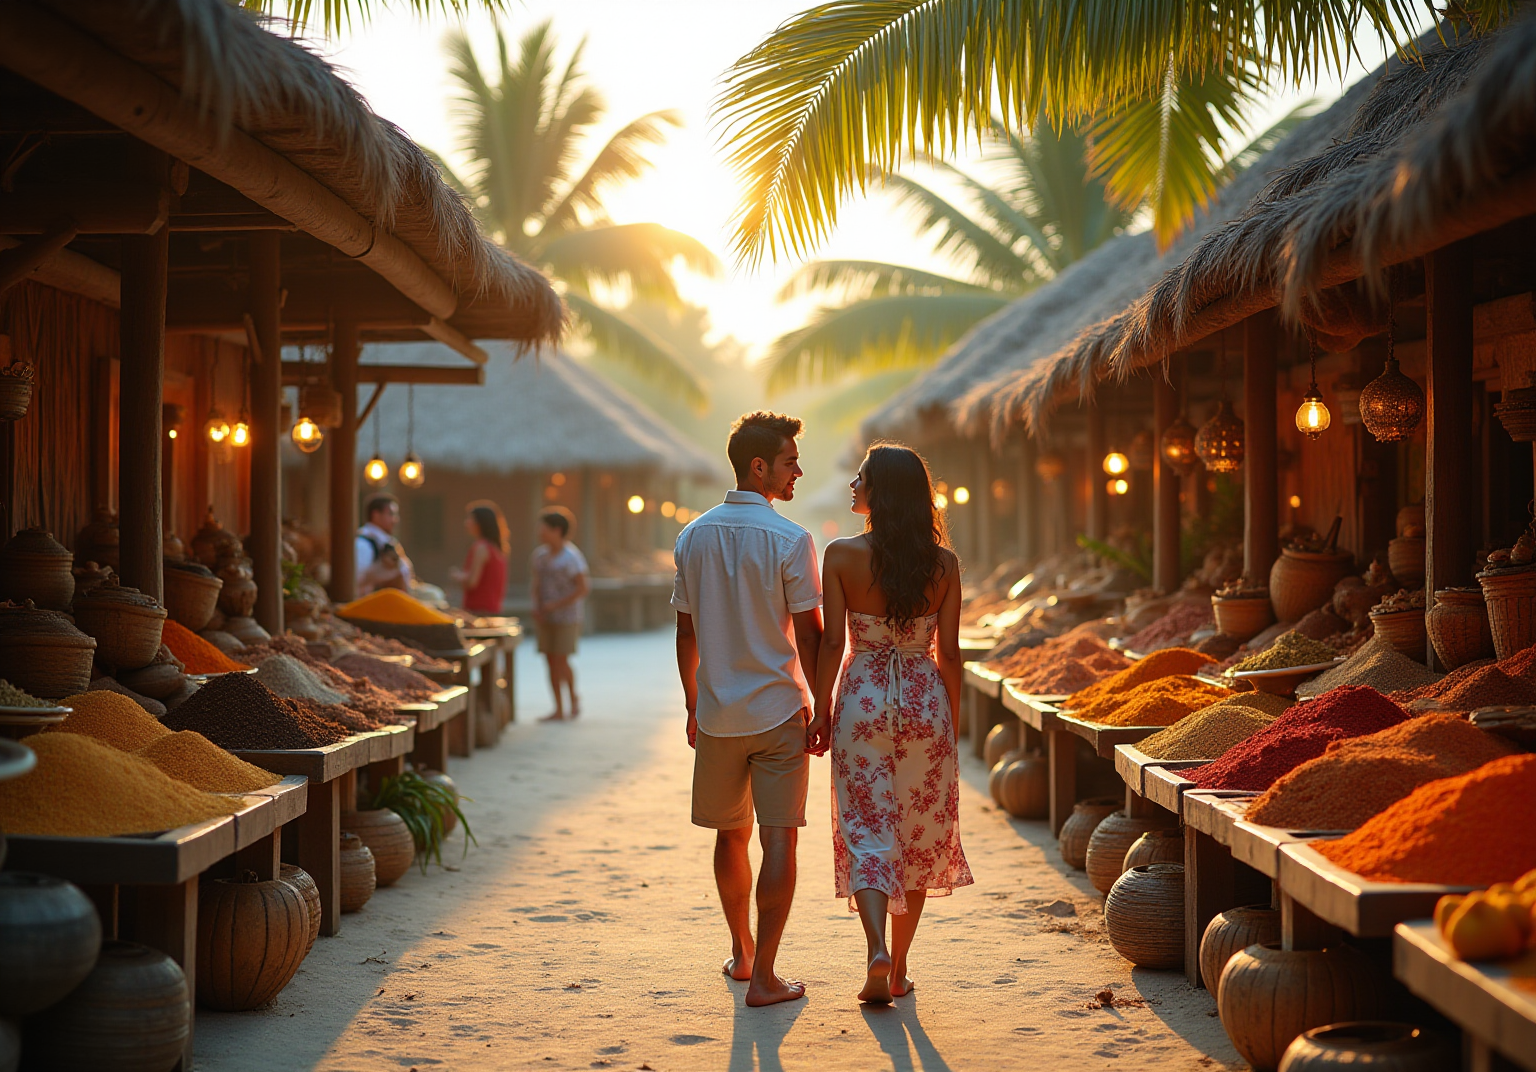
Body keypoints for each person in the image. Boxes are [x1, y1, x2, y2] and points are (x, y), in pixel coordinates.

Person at [808, 443, 973, 1005]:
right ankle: (899, 969)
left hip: (862, 699)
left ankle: (876, 947)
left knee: (867, 828)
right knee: (919, 836)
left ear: (881, 490)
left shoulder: (841, 555)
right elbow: (950, 653)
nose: (852, 485)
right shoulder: (944, 565)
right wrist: (951, 721)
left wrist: (822, 708)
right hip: (925, 700)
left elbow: (833, 642)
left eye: (861, 477)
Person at [673, 411, 823, 1008]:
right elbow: (808, 635)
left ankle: (741, 953)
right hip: (778, 710)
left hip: (717, 714)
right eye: (790, 461)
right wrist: (822, 704)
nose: (798, 472)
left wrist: (693, 702)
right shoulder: (791, 539)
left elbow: (687, 632)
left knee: (730, 836)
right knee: (779, 839)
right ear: (759, 467)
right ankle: (765, 975)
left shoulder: (693, 536)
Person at [530, 506, 589, 721]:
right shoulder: (540, 556)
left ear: (557, 530)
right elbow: (537, 583)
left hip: (567, 617)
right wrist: (537, 605)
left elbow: (582, 588)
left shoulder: (571, 557)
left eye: (544, 528)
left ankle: (573, 698)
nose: (540, 532)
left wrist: (556, 605)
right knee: (549, 660)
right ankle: (558, 707)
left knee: (561, 659)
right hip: (546, 616)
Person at [451, 500, 509, 616]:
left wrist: (458, 576)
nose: (466, 523)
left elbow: (472, 582)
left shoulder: (481, 547)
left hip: (478, 610)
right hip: (492, 608)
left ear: (480, 523)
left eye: (470, 519)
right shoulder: (496, 548)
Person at [356, 495, 414, 594]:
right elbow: (357, 581)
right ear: (376, 515)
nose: (395, 520)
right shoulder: (364, 544)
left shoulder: (386, 541)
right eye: (391, 514)